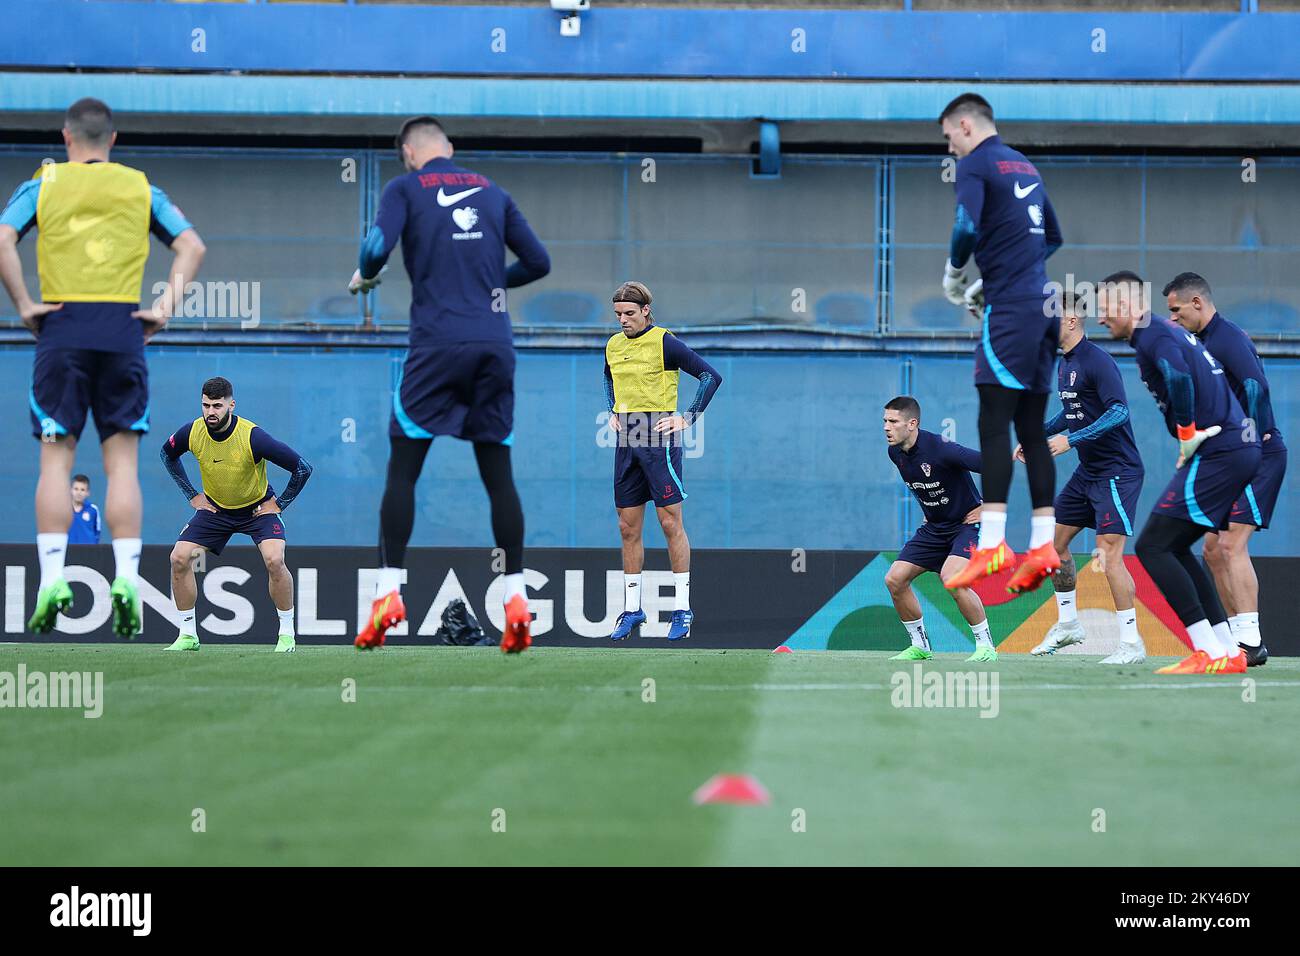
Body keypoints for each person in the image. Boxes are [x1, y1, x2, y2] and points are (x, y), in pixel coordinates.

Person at [0, 97, 204, 637]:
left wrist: (23, 305)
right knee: (121, 468)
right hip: (122, 331)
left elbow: (1, 237)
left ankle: (50, 580)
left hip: (61, 327)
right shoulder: (140, 187)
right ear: (112, 141)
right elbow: (191, 245)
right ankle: (126, 579)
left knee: (54, 464)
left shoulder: (43, 183)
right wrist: (162, 310)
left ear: (66, 138)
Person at [348, 117, 550, 652]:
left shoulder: (404, 187)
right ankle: (515, 598)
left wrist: (366, 272)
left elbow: (375, 250)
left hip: (437, 345)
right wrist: (487, 282)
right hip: (494, 345)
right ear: (449, 149)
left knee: (403, 467)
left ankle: (389, 592)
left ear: (410, 153)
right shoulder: (493, 190)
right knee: (498, 476)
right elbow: (539, 262)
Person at [1096, 272, 1259, 675]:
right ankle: (1226, 650)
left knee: (1153, 545)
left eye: (1103, 310)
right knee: (1175, 545)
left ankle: (1209, 649)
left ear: (1126, 305)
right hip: (1231, 449)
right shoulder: (1158, 335)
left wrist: (1187, 432)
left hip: (1222, 450)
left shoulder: (1154, 335)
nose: (1100, 319)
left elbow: (1179, 377)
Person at [936, 93, 1064, 596]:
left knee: (993, 420)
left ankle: (991, 544)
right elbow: (1051, 238)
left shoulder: (977, 164)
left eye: (949, 135)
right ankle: (1042, 546)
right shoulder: (1026, 166)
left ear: (965, 125)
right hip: (1044, 307)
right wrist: (986, 281)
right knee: (1030, 428)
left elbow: (966, 225)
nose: (949, 146)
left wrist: (955, 275)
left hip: (1009, 312)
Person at [1019, 296, 1148, 664]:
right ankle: (1069, 624)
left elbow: (1119, 412)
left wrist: (1070, 440)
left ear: (1072, 319)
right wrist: (1039, 435)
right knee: (1053, 546)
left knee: (1109, 556)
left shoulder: (1097, 360)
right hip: (1088, 472)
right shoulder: (1066, 364)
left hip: (1117, 472)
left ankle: (1130, 643)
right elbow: (1072, 410)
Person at [1165, 272, 1284, 667]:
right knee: (1213, 550)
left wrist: (1249, 439)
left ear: (1197, 302)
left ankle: (1251, 643)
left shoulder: (1227, 337)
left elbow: (1255, 387)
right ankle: (1236, 638)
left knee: (1231, 545)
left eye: (1176, 310)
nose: (1173, 319)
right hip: (1229, 458)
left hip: (1258, 454)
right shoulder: (1200, 343)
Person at [603, 282, 722, 644]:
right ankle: (633, 608)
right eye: (618, 314)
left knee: (670, 523)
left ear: (645, 312)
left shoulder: (664, 342)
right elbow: (610, 378)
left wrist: (687, 417)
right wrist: (612, 410)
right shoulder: (612, 344)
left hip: (659, 439)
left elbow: (709, 376)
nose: (623, 320)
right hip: (627, 441)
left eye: (629, 313)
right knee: (627, 527)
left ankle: (682, 609)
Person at [160, 377, 313, 653]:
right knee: (178, 558)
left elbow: (302, 468)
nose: (210, 412)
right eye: (206, 405)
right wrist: (192, 495)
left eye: (217, 405)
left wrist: (279, 504)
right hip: (215, 511)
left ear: (231, 404)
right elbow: (167, 454)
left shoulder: (253, 436)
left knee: (275, 560)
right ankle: (187, 635)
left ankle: (287, 634)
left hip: (257, 510)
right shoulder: (193, 432)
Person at [882, 397, 997, 663]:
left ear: (912, 424)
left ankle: (986, 647)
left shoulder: (942, 449)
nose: (887, 427)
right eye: (885, 421)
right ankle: (920, 645)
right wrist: (931, 513)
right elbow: (926, 485)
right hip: (935, 528)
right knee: (894, 579)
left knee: (951, 578)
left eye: (893, 422)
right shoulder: (895, 452)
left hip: (966, 526)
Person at [68, 474, 102, 545]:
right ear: (71, 490)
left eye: (82, 490)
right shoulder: (64, 509)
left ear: (88, 493)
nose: (79, 493)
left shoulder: (93, 510)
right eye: (76, 489)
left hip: (88, 552)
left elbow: (97, 532)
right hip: (68, 551)